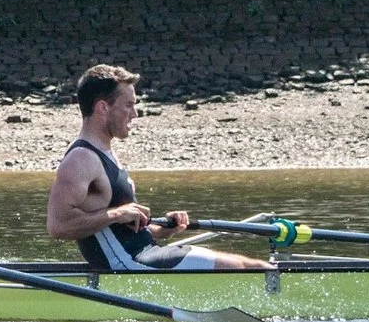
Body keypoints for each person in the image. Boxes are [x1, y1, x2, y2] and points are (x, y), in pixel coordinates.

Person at [46, 65, 269, 276]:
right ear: (103, 107)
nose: (135, 114)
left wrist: (164, 228)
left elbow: (118, 233)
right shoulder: (81, 159)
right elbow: (58, 226)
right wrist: (117, 213)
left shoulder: (105, 154)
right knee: (253, 268)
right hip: (129, 267)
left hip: (145, 256)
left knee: (255, 266)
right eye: (128, 105)